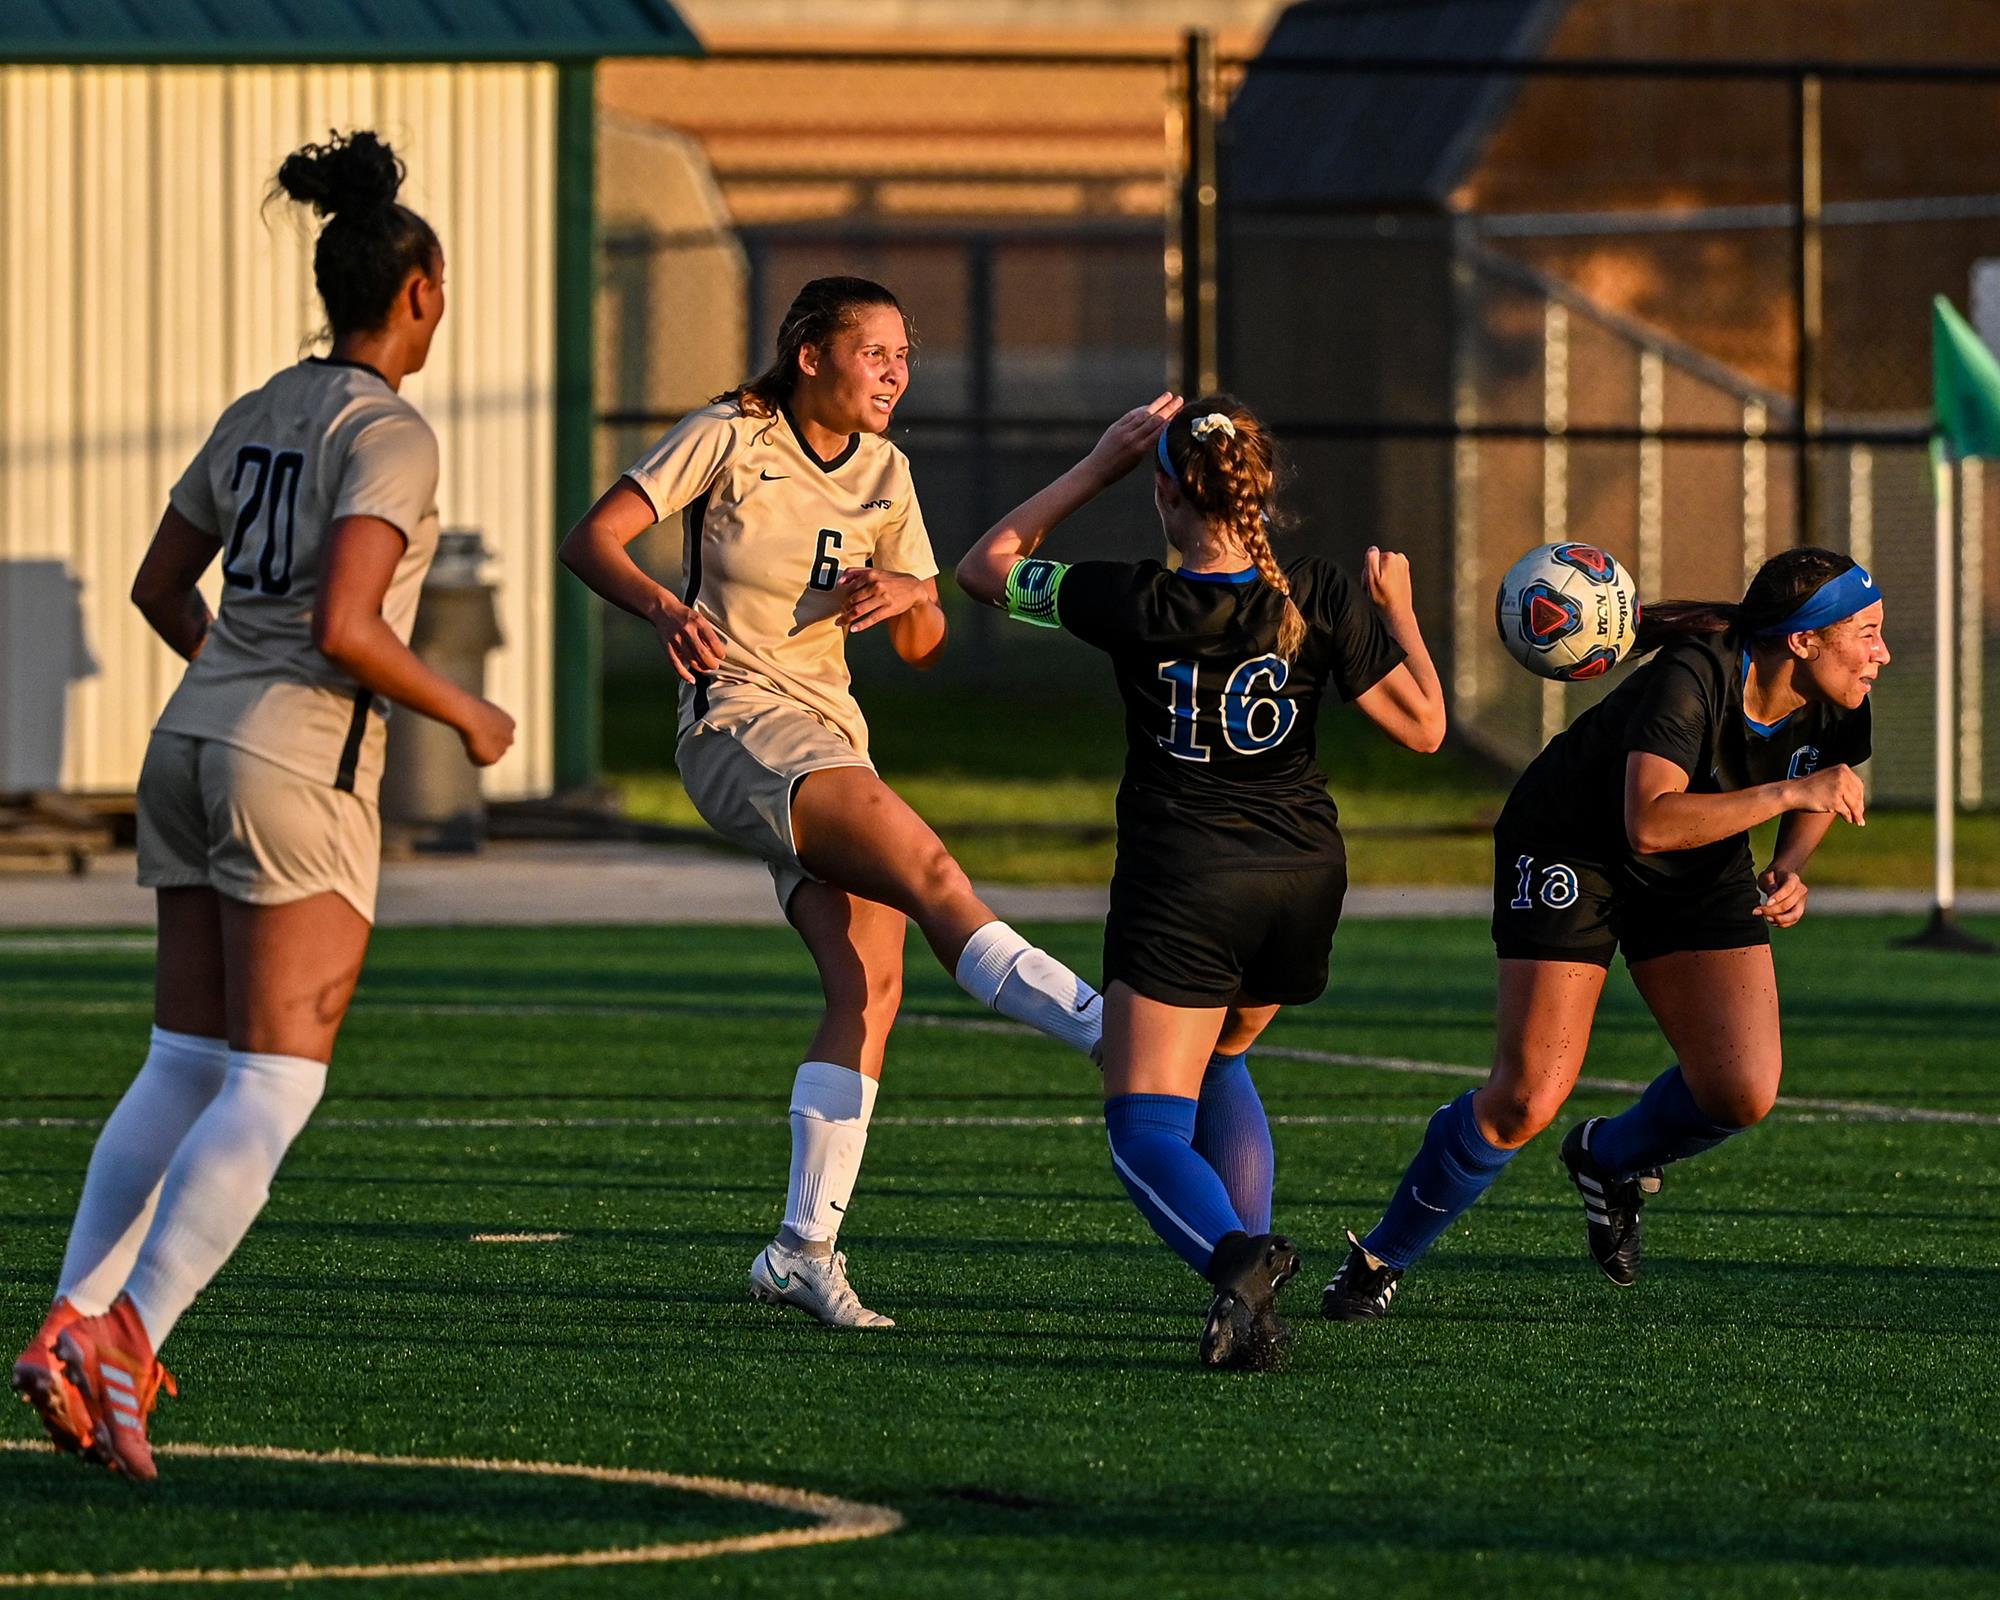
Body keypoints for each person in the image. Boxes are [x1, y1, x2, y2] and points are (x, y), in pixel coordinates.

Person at [9, 132, 513, 1480]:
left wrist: (230, 689)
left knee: (184, 1056)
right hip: (294, 762)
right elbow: (350, 625)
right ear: (422, 291)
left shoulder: (260, 406)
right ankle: (129, 1334)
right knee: (277, 1078)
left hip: (191, 739)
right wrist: (464, 710)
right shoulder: (391, 431)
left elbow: (159, 585)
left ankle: (67, 1319)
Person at [559, 276, 1107, 1330]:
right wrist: (664, 608)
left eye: (905, 354)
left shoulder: (887, 471)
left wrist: (911, 597)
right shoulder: (731, 434)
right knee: (934, 872)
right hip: (737, 727)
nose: (896, 372)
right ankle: (1099, 1026)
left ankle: (800, 1248)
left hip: (830, 736)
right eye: (875, 353)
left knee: (870, 982)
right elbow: (594, 539)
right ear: (810, 354)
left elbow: (922, 643)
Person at [956, 394, 1447, 1368]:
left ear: (1166, 490)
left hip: (1183, 880)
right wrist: (1400, 614)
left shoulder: (1134, 597)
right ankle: (1245, 1313)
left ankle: (1240, 1261)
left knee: (1142, 1124)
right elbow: (1426, 726)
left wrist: (1097, 461)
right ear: (1260, 491)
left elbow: (983, 569)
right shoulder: (1313, 592)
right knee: (1217, 1059)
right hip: (1300, 881)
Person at [1324, 547, 1887, 1320]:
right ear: (1802, 640)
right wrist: (1788, 790)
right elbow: (1650, 822)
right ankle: (1380, 1257)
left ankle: (1609, 1158)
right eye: (1868, 633)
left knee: (1741, 1090)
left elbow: (1827, 777)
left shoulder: (1843, 692)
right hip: (1572, 848)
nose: (1881, 653)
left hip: (1700, 859)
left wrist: (1789, 862)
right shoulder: (1691, 677)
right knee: (1525, 1098)